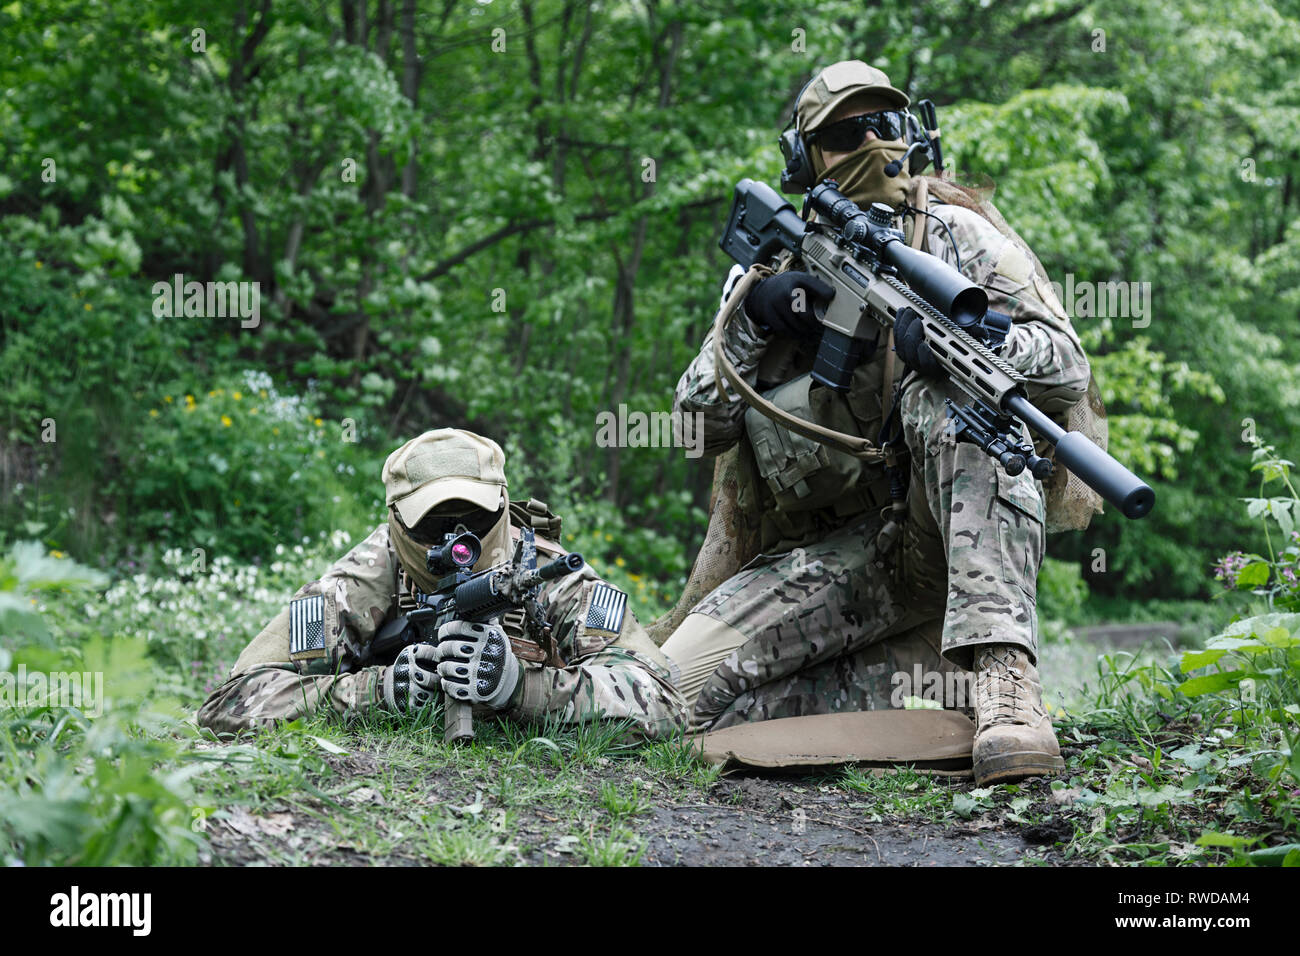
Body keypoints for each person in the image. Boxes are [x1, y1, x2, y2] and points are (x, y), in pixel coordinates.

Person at [662, 60, 1098, 784]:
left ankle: (1003, 681)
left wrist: (972, 347)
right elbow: (696, 425)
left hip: (938, 545)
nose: (871, 145)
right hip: (829, 558)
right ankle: (912, 688)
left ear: (912, 135)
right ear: (806, 159)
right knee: (676, 694)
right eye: (843, 134)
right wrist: (758, 315)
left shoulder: (956, 236)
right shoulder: (772, 260)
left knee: (962, 398)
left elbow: (1066, 364)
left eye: (884, 126)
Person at [197, 428, 686, 739]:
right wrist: (375, 693)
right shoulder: (368, 574)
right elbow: (232, 700)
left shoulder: (548, 574)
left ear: (503, 506)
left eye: (474, 517)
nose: (458, 539)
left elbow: (664, 702)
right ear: (395, 524)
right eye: (434, 523)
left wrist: (524, 690)